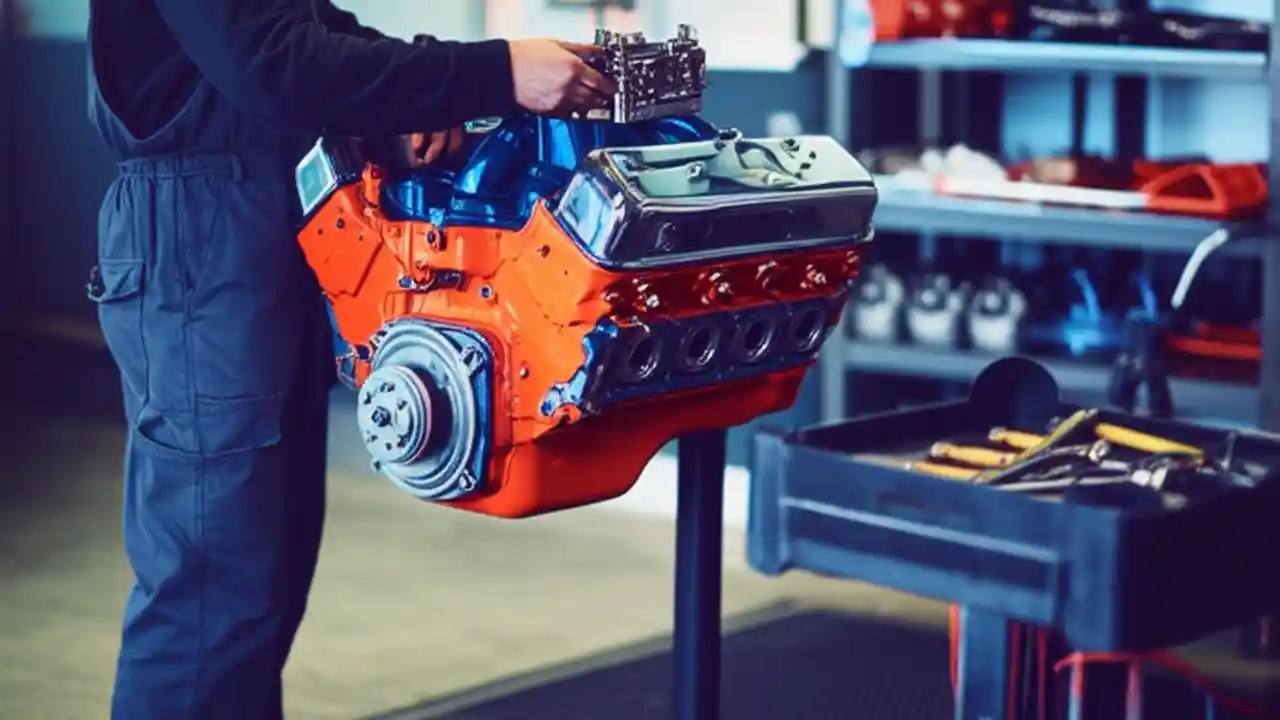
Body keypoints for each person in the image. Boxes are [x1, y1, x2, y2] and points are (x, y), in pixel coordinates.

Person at [85, 2, 617, 717]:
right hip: (200, 245)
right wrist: (498, 73)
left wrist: (428, 95)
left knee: (261, 582)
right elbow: (273, 63)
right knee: (211, 593)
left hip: (255, 237)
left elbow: (311, 27)